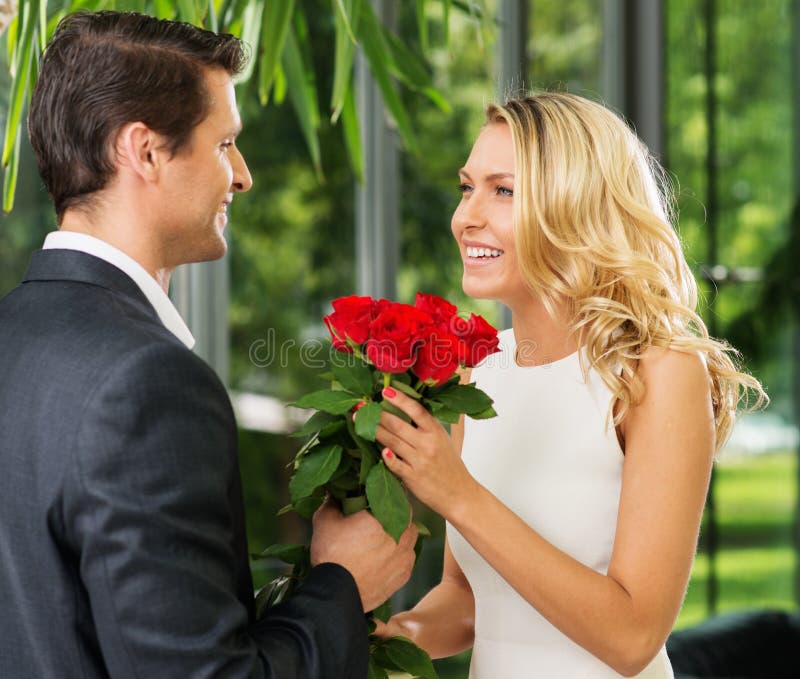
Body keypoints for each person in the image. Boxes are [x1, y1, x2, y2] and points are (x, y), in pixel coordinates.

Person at [0, 11, 416, 679]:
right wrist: (341, 585)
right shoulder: (146, 381)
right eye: (224, 144)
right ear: (145, 151)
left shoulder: (11, 338)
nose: (243, 175)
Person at [371, 93, 767, 678]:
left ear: (574, 206)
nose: (465, 216)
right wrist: (374, 637)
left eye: (502, 191)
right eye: (466, 187)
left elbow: (632, 638)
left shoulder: (658, 372)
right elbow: (467, 602)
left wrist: (458, 494)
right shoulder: (478, 372)